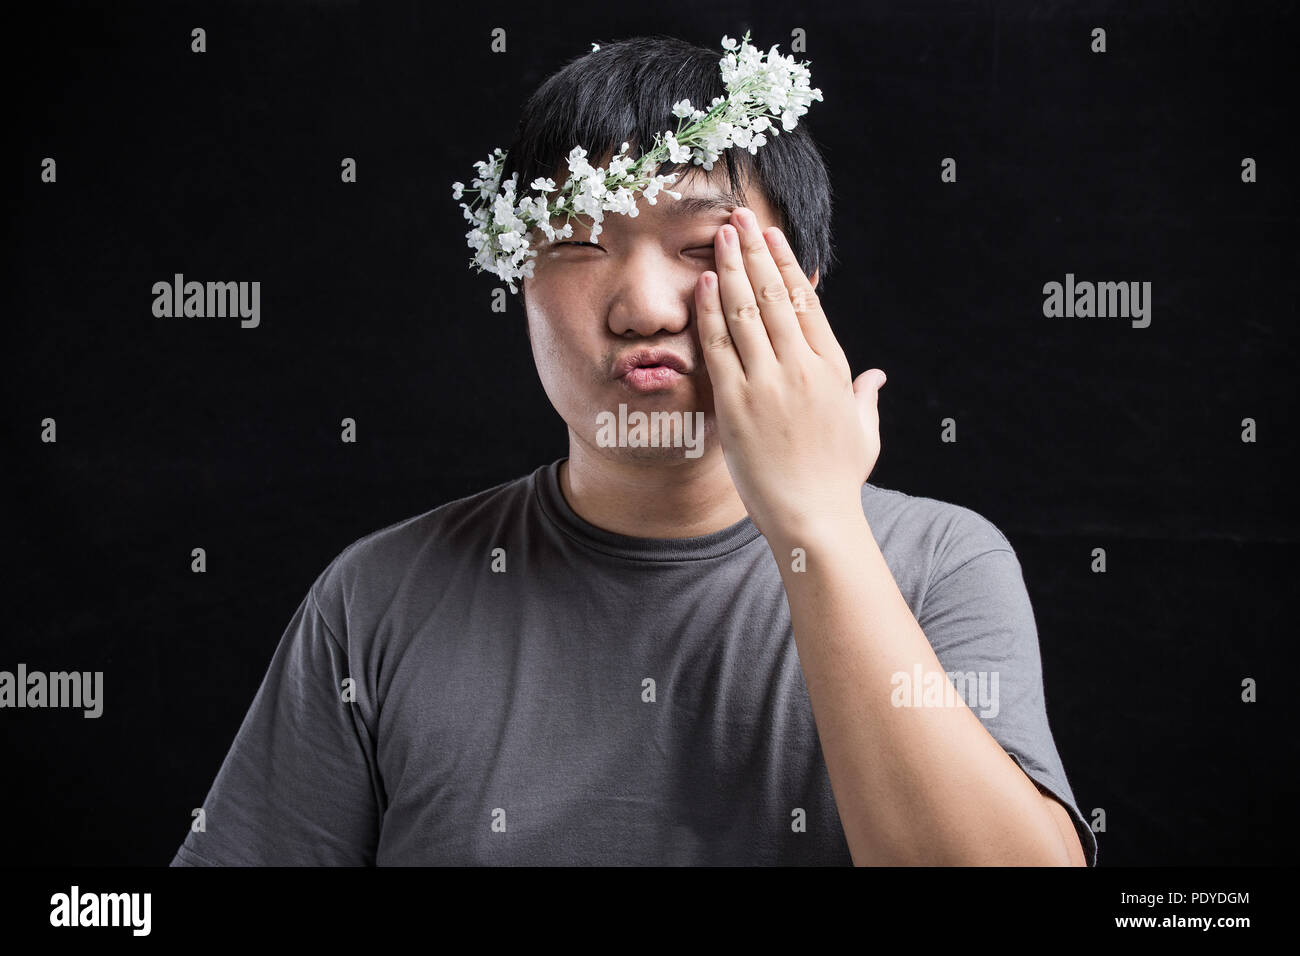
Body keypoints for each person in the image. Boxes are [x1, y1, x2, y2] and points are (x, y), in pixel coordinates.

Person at [170, 34, 1095, 867]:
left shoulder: (937, 565)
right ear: (519, 285)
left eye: (702, 246)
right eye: (578, 244)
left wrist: (817, 519)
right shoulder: (378, 596)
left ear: (800, 291)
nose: (644, 307)